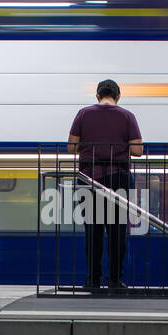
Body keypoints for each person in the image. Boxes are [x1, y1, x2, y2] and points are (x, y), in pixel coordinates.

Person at [67, 79, 143, 291]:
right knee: (117, 232)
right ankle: (115, 280)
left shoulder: (83, 114)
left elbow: (72, 147)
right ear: (118, 97)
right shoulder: (127, 116)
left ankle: (92, 280)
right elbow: (137, 151)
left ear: (97, 96)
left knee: (93, 231)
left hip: (89, 178)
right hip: (117, 178)